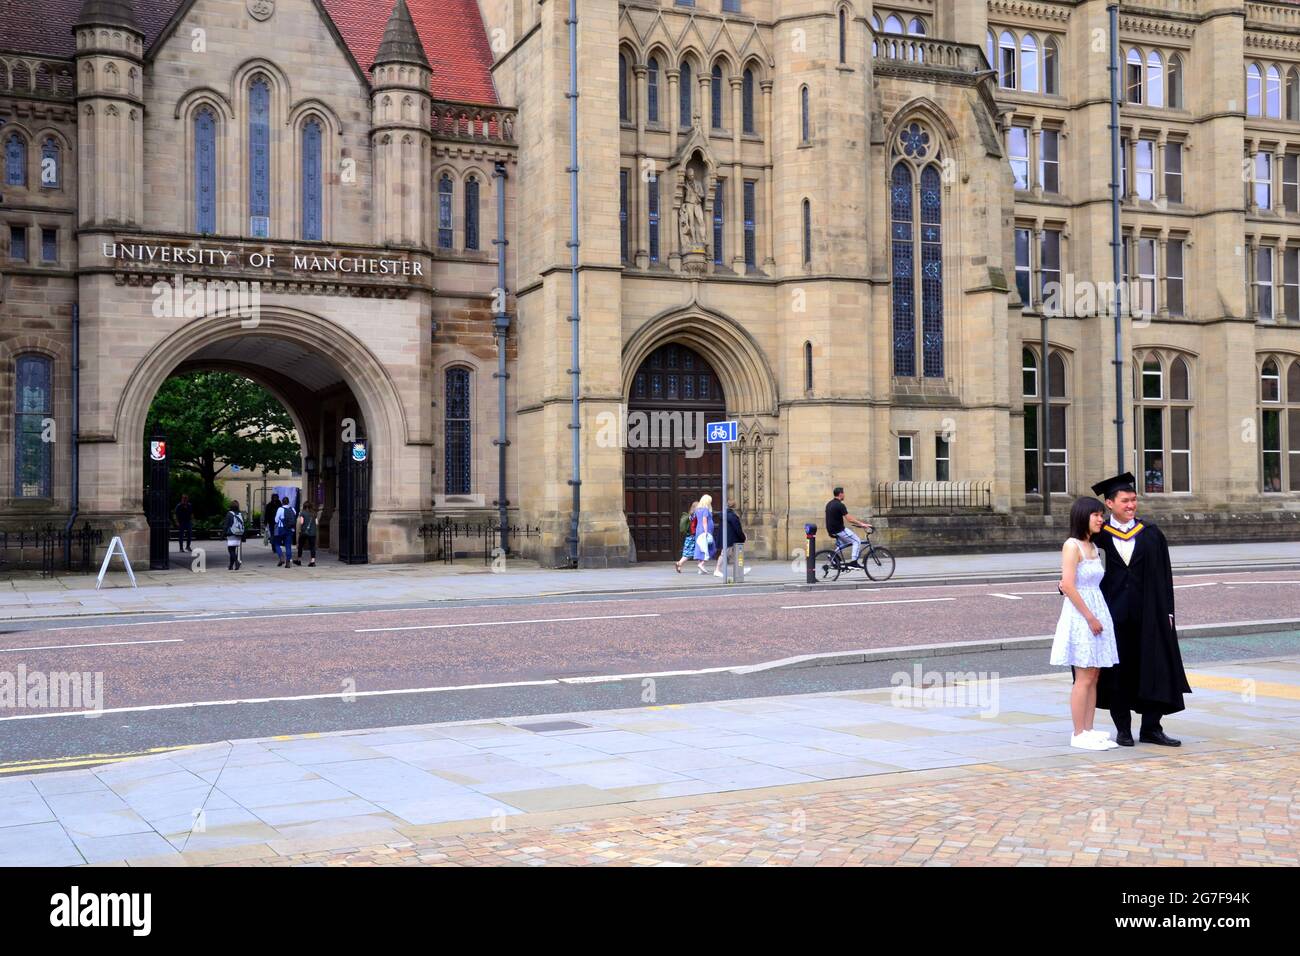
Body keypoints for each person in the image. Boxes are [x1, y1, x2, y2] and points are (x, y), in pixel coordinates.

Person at [1090, 472, 1191, 747]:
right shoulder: (1098, 538)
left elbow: (1165, 577)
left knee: (1154, 667)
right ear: (1109, 504)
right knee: (1117, 672)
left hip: (1150, 614)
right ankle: (1123, 729)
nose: (1131, 505)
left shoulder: (1151, 534)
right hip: (1112, 615)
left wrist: (1168, 612)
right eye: (1125, 500)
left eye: (1134, 500)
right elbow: (1082, 575)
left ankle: (1151, 728)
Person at [1050, 497, 1120, 750]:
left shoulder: (1091, 544)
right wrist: (1090, 617)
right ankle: (1078, 733)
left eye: (1101, 514)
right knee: (1083, 675)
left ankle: (1088, 729)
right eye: (1096, 515)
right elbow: (1068, 584)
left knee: (1094, 673)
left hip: (1096, 608)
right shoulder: (1072, 546)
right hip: (1082, 614)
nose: (1101, 519)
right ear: (1083, 517)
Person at [824, 486, 873, 566]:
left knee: (845, 543)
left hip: (831, 530)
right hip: (839, 530)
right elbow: (849, 519)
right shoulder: (840, 505)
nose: (844, 495)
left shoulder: (829, 504)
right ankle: (854, 562)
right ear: (840, 494)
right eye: (843, 493)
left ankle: (832, 555)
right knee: (856, 541)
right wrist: (863, 524)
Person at [712, 505, 749, 578]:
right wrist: (743, 537)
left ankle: (740, 569)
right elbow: (738, 529)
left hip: (728, 538)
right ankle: (717, 570)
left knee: (735, 554)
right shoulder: (732, 517)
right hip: (731, 539)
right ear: (734, 508)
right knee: (724, 554)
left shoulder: (723, 515)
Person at [691, 494, 715, 574]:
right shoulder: (705, 509)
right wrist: (706, 532)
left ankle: (700, 569)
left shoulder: (698, 509)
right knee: (711, 549)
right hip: (705, 531)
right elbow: (704, 521)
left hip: (699, 530)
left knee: (701, 548)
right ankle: (701, 564)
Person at [674, 499, 700, 573]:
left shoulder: (690, 515)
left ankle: (679, 563)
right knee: (699, 551)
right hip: (694, 536)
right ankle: (700, 568)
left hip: (689, 536)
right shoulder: (695, 515)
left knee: (688, 553)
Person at [221, 500, 246, 571]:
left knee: (230, 550)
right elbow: (243, 525)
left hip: (232, 534)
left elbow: (226, 525)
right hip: (239, 534)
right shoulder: (240, 514)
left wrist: (222, 535)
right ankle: (231, 566)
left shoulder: (229, 514)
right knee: (233, 550)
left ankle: (236, 562)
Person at [274, 496, 297, 569]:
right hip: (289, 529)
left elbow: (276, 520)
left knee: (277, 543)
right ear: (288, 502)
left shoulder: (280, 509)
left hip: (281, 529)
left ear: (282, 502)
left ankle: (281, 557)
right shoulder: (292, 509)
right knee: (288, 546)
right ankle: (288, 562)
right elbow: (294, 517)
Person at [294, 502, 318, 567]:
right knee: (312, 547)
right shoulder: (314, 513)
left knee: (300, 546)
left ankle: (299, 560)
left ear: (304, 507)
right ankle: (312, 561)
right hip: (312, 532)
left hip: (304, 532)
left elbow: (301, 522)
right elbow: (316, 523)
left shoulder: (302, 513)